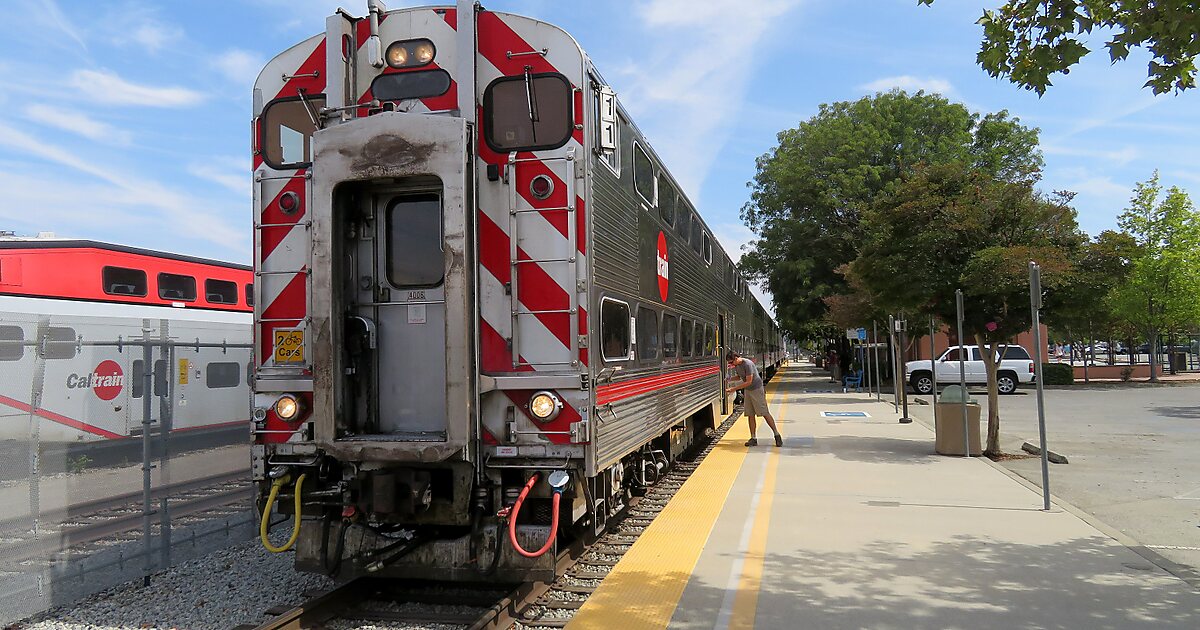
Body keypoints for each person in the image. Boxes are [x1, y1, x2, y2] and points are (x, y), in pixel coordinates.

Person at [725, 351, 782, 447]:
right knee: (750, 414)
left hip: (757, 389)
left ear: (736, 358)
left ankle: (777, 435)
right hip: (748, 391)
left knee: (764, 413)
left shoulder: (747, 364)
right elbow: (740, 377)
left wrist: (733, 389)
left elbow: (748, 381)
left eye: (731, 362)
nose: (731, 364)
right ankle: (753, 438)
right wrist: (729, 379)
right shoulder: (737, 366)